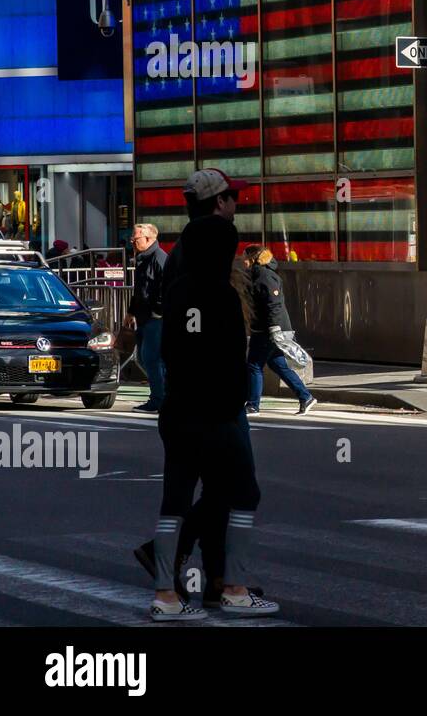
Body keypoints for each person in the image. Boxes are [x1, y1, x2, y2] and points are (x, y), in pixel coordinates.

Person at [145, 168, 277, 620]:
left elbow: (170, 349)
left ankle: (167, 591)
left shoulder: (177, 284)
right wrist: (234, 398)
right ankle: (232, 585)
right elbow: (224, 357)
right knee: (242, 491)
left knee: (178, 498)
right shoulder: (218, 293)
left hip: (180, 408)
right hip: (216, 410)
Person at [243, 245, 316, 416]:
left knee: (254, 365)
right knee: (278, 365)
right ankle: (305, 397)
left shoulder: (265, 276)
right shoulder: (258, 274)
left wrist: (274, 328)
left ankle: (253, 405)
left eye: (244, 256)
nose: (242, 260)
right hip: (265, 328)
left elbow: (273, 304)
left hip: (268, 329)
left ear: (253, 258)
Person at [126, 223, 167, 414]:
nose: (132, 243)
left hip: (156, 318)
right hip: (144, 317)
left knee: (151, 358)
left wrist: (156, 310)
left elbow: (164, 290)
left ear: (149, 239)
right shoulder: (143, 259)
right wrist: (131, 311)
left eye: (136, 239)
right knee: (145, 358)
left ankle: (159, 399)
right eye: (132, 239)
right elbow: (139, 290)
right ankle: (161, 395)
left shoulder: (159, 259)